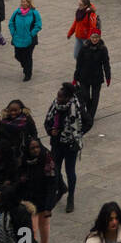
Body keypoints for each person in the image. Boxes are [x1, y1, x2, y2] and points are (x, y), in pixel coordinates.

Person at [45, 83, 84, 214]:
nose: (58, 99)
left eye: (61, 97)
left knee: (70, 171)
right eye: (58, 96)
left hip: (70, 145)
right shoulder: (55, 106)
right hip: (57, 144)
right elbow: (47, 122)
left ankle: (70, 197)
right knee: (54, 169)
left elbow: (87, 122)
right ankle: (61, 188)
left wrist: (77, 134)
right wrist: (51, 131)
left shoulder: (76, 107)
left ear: (68, 97)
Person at [18, 137, 56, 243]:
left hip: (43, 198)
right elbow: (19, 180)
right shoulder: (23, 161)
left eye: (37, 147)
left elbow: (52, 183)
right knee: (31, 228)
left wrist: (49, 206)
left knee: (44, 224)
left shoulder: (47, 159)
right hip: (29, 200)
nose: (35, 150)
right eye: (32, 148)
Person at [74, 31, 111, 127]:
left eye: (96, 37)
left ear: (99, 38)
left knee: (95, 98)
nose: (95, 39)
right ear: (90, 37)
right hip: (84, 76)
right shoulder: (84, 48)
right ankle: (89, 111)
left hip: (97, 77)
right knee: (85, 96)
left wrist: (108, 76)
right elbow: (79, 63)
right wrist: (75, 77)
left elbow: (106, 63)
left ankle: (90, 116)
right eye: (93, 37)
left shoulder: (103, 49)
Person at [8, 0, 41, 82]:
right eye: (22, 2)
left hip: (30, 39)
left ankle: (28, 74)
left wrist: (31, 34)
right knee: (17, 55)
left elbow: (38, 25)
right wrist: (13, 33)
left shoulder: (34, 13)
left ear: (29, 3)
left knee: (27, 56)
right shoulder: (16, 12)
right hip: (17, 38)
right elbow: (11, 23)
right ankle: (25, 66)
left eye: (25, 2)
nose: (23, 3)